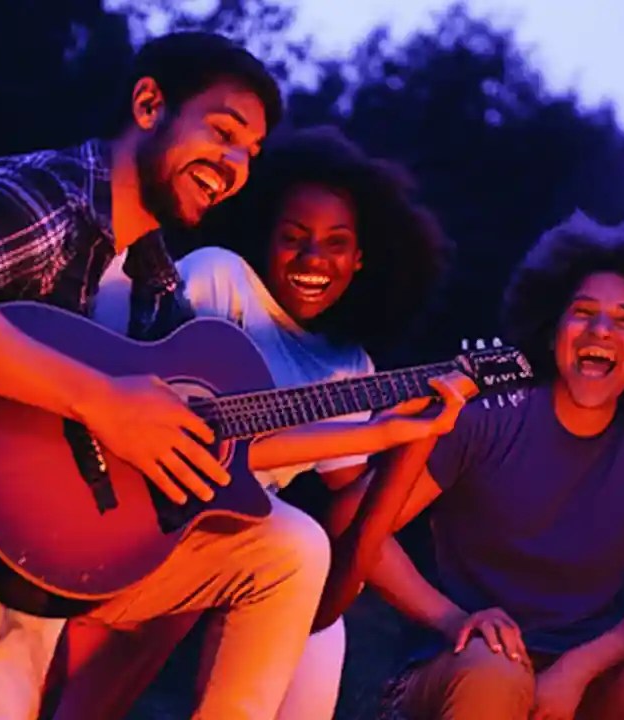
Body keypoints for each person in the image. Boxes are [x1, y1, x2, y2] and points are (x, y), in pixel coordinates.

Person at [0, 32, 459, 720]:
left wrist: (395, 428)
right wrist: (104, 403)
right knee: (0, 684)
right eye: (222, 132)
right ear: (150, 104)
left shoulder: (156, 279)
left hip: (53, 520)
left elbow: (206, 442)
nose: (234, 165)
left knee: (290, 544)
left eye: (249, 153)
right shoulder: (49, 191)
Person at [50, 124, 467, 720]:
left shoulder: (349, 365)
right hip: (124, 498)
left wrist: (416, 439)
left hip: (227, 536)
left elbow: (354, 514)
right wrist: (377, 432)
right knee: (69, 690)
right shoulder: (222, 279)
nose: (313, 258)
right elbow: (174, 390)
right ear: (265, 237)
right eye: (294, 237)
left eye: (335, 243)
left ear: (360, 258)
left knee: (313, 612)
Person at [319, 213, 624, 720]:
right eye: (583, 312)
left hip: (583, 669)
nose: (601, 329)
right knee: (495, 675)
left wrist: (579, 668)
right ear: (552, 332)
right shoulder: (486, 415)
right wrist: (450, 619)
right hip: (464, 659)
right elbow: (354, 525)